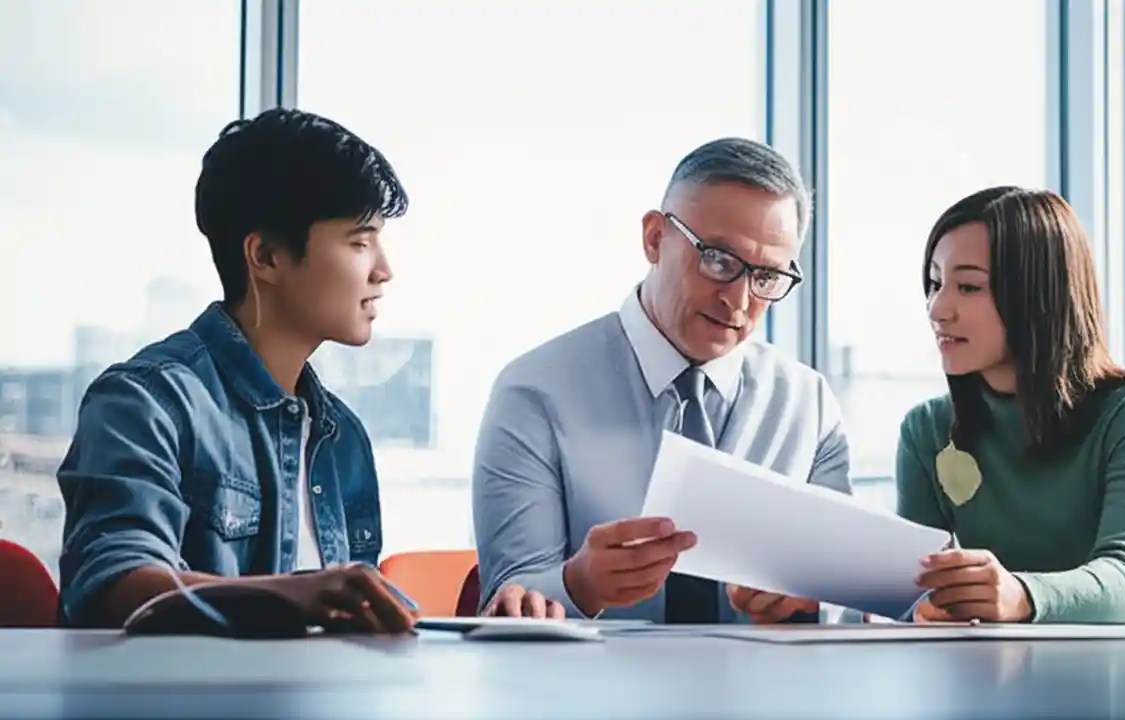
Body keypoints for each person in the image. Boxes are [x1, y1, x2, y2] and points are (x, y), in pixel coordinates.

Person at [58, 108, 553, 630]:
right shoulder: (147, 402)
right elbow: (113, 583)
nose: (383, 270)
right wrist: (290, 595)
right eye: (360, 242)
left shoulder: (342, 438)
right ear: (266, 256)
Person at [473, 137, 852, 624]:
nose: (737, 301)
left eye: (767, 278)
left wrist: (817, 599)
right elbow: (512, 597)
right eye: (717, 260)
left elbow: (845, 584)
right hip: (589, 693)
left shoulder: (807, 404)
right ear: (655, 238)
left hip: (769, 692)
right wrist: (580, 584)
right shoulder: (533, 393)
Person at [898, 186, 1125, 623]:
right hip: (1000, 668)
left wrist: (1021, 596)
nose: (938, 308)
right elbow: (911, 587)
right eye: (936, 283)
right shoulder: (926, 429)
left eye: (969, 286)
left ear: (1040, 295)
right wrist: (919, 605)